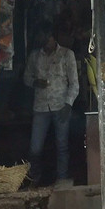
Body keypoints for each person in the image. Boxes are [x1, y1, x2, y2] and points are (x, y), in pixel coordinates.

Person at [23, 32, 79, 186]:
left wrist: (68, 104)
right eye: (42, 38)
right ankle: (34, 178)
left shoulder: (67, 54)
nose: (45, 41)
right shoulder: (35, 56)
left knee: (62, 146)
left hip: (61, 106)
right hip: (40, 107)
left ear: (54, 38)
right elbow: (26, 78)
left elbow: (74, 83)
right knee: (35, 148)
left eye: (47, 38)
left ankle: (62, 178)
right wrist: (35, 82)